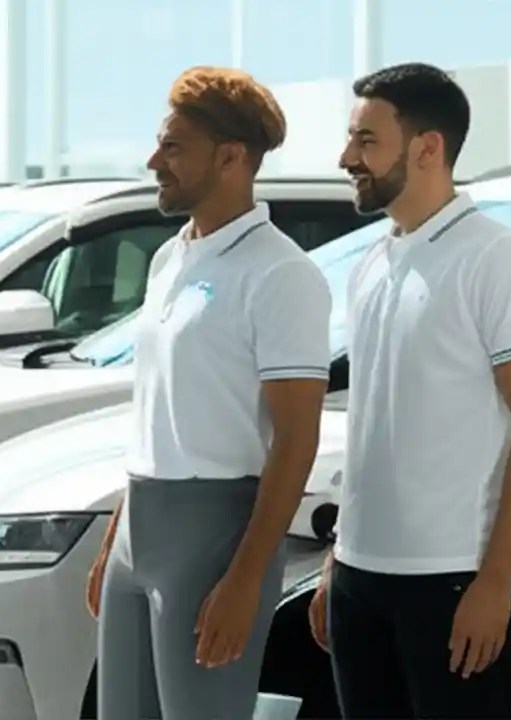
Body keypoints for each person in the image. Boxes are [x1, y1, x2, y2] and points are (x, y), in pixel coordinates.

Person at [83, 66, 331, 719]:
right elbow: (157, 412)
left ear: (231, 157)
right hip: (141, 528)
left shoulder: (281, 274)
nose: (152, 161)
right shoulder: (171, 259)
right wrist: (117, 535)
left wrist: (247, 579)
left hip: (216, 535)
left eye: (173, 147)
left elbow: (297, 439)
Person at [306, 62, 511, 719]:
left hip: (451, 582)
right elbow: (374, 423)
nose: (347, 157)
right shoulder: (373, 262)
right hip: (357, 581)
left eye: (366, 141)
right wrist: (336, 559)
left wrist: (495, 582)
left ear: (428, 147)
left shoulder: (495, 259)